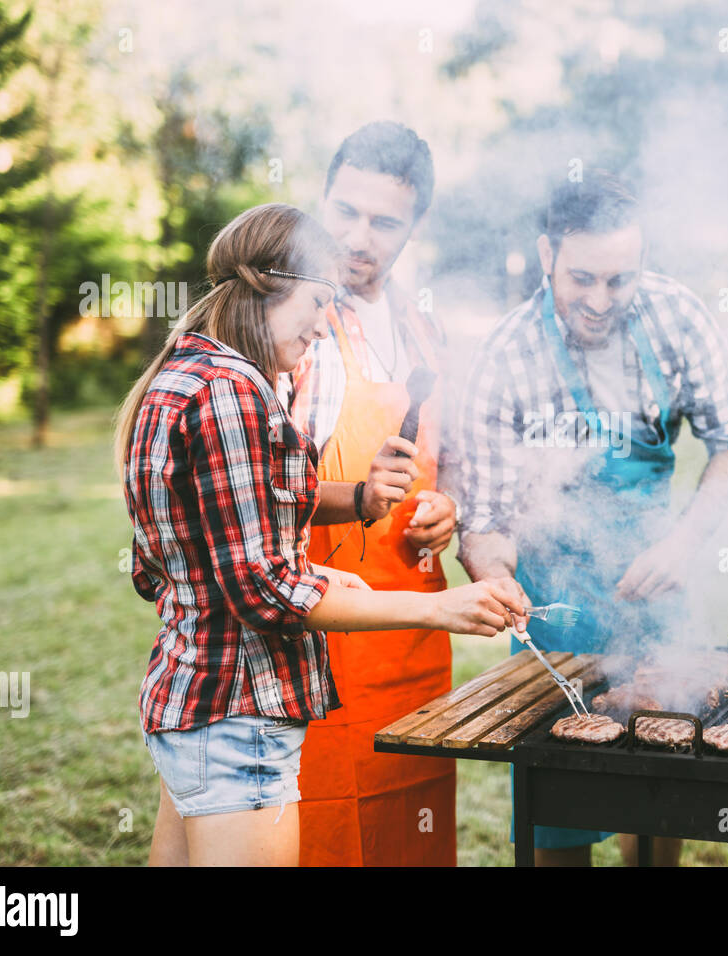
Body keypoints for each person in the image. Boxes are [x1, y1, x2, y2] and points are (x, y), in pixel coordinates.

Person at [116, 202, 524, 866]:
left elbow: (178, 562)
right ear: (267, 285)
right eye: (316, 300)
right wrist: (435, 607)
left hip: (193, 704)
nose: (322, 322)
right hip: (240, 711)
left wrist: (358, 502)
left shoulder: (188, 373)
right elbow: (266, 593)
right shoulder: (234, 395)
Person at [456, 171, 728, 866]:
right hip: (554, 610)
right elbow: (487, 520)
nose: (600, 300)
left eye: (619, 280)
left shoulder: (676, 318)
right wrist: (498, 578)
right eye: (582, 278)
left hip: (659, 589)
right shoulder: (506, 358)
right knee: (557, 808)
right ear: (546, 258)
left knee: (662, 785)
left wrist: (684, 544)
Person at [282, 122, 505, 866]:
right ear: (321, 200)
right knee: (324, 834)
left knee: (410, 834)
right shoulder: (288, 327)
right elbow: (243, 492)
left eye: (384, 222)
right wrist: (352, 493)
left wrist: (444, 511)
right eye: (343, 212)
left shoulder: (425, 331)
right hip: (312, 640)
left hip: (413, 638)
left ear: (415, 228)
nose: (357, 236)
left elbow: (449, 469)